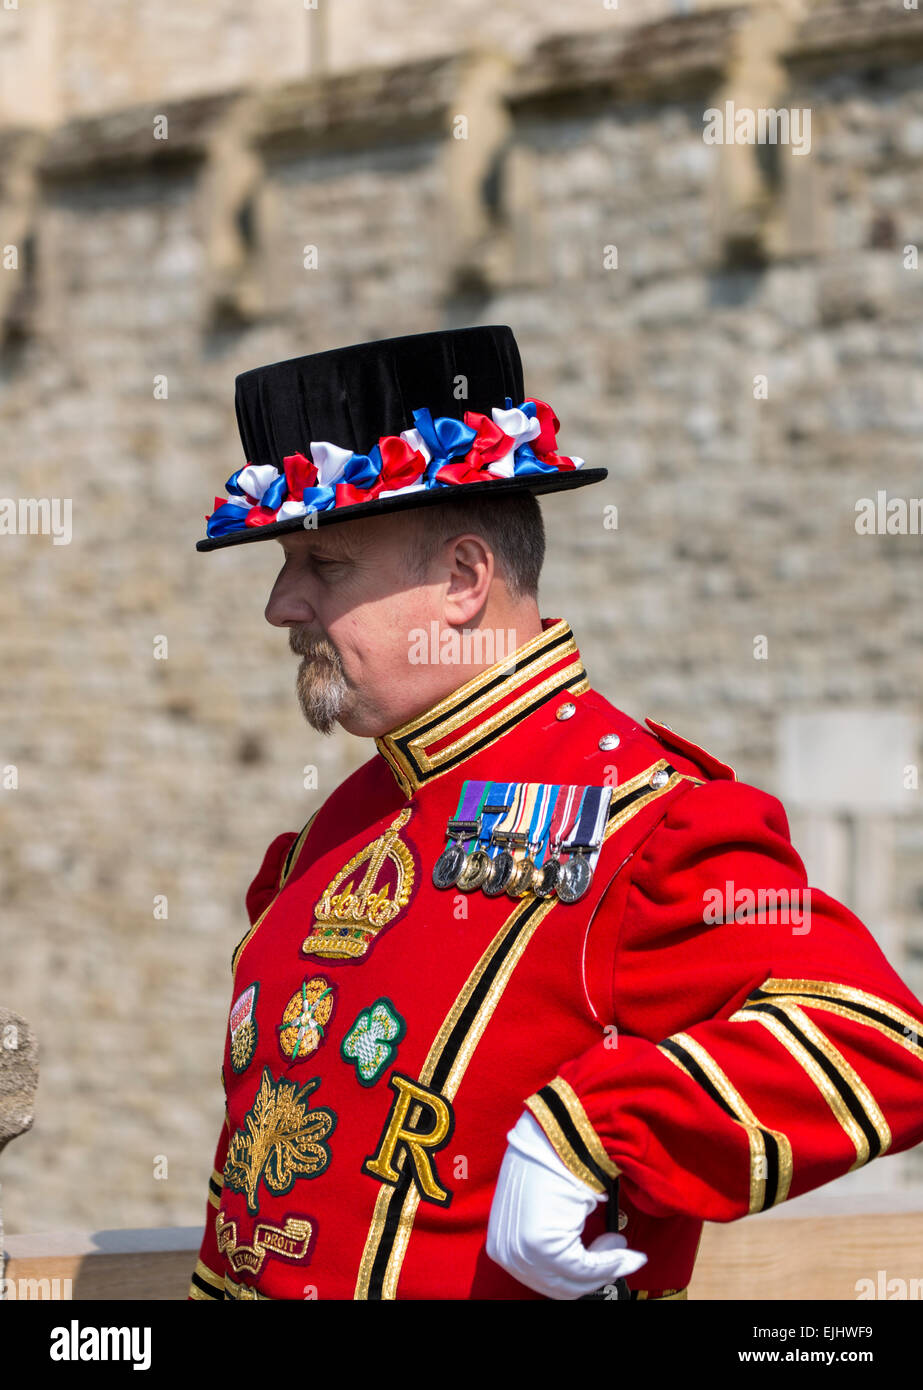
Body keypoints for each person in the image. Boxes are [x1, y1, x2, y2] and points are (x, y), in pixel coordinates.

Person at [188, 325, 923, 1301]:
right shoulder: (343, 822)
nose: (281, 605)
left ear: (461, 580)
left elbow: (875, 1039)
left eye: (322, 565)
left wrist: (580, 1133)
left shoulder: (644, 821)